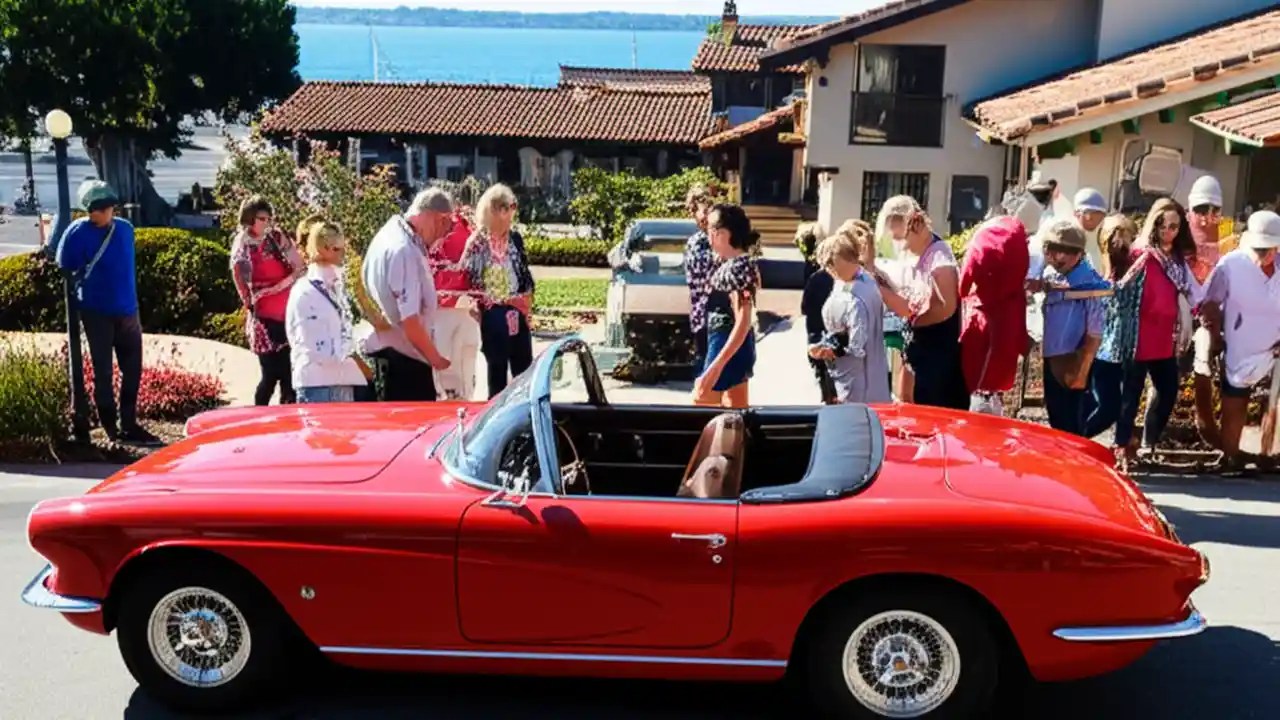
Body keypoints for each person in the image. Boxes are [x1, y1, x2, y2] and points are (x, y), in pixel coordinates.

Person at [55, 180, 160, 445]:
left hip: (127, 310)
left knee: (132, 369)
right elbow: (64, 264)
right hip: (96, 311)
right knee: (103, 372)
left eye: (106, 208)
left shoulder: (125, 230)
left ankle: (129, 423)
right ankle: (110, 426)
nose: (101, 213)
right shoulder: (76, 232)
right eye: (96, 209)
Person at [1112, 198, 1198, 468]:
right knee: (1130, 397)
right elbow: (1120, 289)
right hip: (1138, 337)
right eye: (1162, 225)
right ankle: (1122, 448)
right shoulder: (1140, 255)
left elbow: (1187, 292)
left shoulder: (1178, 261)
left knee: (1168, 391)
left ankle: (1149, 442)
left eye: (1174, 226)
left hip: (1164, 339)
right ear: (1153, 223)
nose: (1168, 231)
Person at [1199, 211, 1280, 475]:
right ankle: (1230, 457)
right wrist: (1214, 336)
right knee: (1235, 402)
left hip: (1275, 347)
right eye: (1258, 248)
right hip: (1240, 348)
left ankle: (1272, 456)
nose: (1262, 254)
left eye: (1267, 249)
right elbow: (1210, 303)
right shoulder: (1231, 264)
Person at [875, 195, 969, 410]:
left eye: (901, 238)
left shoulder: (939, 258)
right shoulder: (920, 255)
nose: (900, 245)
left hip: (938, 360)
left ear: (916, 225)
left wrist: (915, 321)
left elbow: (946, 307)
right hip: (922, 354)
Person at [362, 187, 454, 401]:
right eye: (446, 226)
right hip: (404, 361)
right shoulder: (404, 250)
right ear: (438, 218)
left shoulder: (389, 233)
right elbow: (410, 321)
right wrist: (436, 359)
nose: (444, 234)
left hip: (388, 353)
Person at [1037, 219, 1111, 435]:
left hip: (1074, 361)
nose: (1055, 256)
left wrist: (1082, 370)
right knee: (1056, 422)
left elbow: (1095, 332)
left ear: (1078, 254)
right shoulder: (1052, 275)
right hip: (1053, 360)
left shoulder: (1091, 285)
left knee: (1071, 428)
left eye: (1063, 251)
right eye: (1051, 249)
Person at [461, 184, 536, 398]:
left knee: (524, 370)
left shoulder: (515, 238)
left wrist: (525, 299)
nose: (511, 212)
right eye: (506, 207)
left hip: (517, 309)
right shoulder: (477, 242)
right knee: (497, 371)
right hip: (492, 311)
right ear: (493, 210)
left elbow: (524, 274)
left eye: (512, 206)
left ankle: (524, 415)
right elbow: (468, 279)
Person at [229, 195, 304, 406]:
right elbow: (245, 288)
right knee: (270, 376)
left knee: (290, 378)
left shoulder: (277, 239)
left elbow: (299, 265)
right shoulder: (243, 247)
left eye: (269, 218)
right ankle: (259, 417)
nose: (267, 223)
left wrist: (285, 282)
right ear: (250, 218)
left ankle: (288, 422)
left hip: (288, 315)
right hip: (264, 320)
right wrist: (258, 298)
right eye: (262, 218)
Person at [285, 219, 370, 403]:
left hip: (342, 380)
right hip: (317, 384)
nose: (343, 253)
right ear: (323, 249)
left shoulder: (335, 286)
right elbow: (316, 348)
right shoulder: (305, 291)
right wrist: (354, 358)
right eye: (337, 248)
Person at [957, 216, 1030, 416]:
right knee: (996, 385)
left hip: (980, 317)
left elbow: (962, 287)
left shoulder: (980, 246)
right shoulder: (1016, 292)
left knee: (976, 380)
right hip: (1009, 321)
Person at [809, 225, 891, 404]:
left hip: (855, 380)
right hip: (876, 371)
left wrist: (828, 350)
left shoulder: (850, 296)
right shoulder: (867, 280)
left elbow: (855, 346)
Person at [693, 203, 759, 409]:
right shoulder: (738, 264)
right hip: (734, 346)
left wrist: (714, 368)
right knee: (733, 417)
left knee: (701, 407)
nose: (708, 235)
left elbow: (743, 320)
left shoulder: (737, 268)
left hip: (725, 346)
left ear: (722, 233)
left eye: (710, 229)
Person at [1084, 214, 1139, 440]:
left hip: (1130, 351)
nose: (1120, 245)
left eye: (1126, 239)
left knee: (1120, 406)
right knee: (1106, 408)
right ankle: (1076, 440)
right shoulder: (1098, 278)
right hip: (1103, 353)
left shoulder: (1139, 273)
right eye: (1113, 239)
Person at [1186, 175, 1226, 448]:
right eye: (1200, 210)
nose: (1206, 218)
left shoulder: (1229, 247)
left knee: (1204, 360)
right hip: (1176, 321)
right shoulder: (1177, 242)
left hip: (1213, 324)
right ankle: (1145, 439)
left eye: (1213, 211)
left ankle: (1211, 430)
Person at [430, 204, 482, 400]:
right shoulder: (471, 226)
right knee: (466, 372)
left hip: (443, 308)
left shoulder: (439, 226)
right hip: (468, 308)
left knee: (446, 377)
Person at [683, 184, 719, 373]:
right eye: (703, 211)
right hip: (705, 313)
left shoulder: (717, 238)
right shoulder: (698, 242)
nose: (707, 216)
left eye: (710, 210)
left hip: (716, 313)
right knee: (707, 368)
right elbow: (706, 269)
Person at [1073, 187, 1108, 272]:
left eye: (1097, 213)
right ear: (1075, 214)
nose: (1090, 218)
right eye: (1087, 213)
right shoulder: (1066, 240)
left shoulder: (1106, 241)